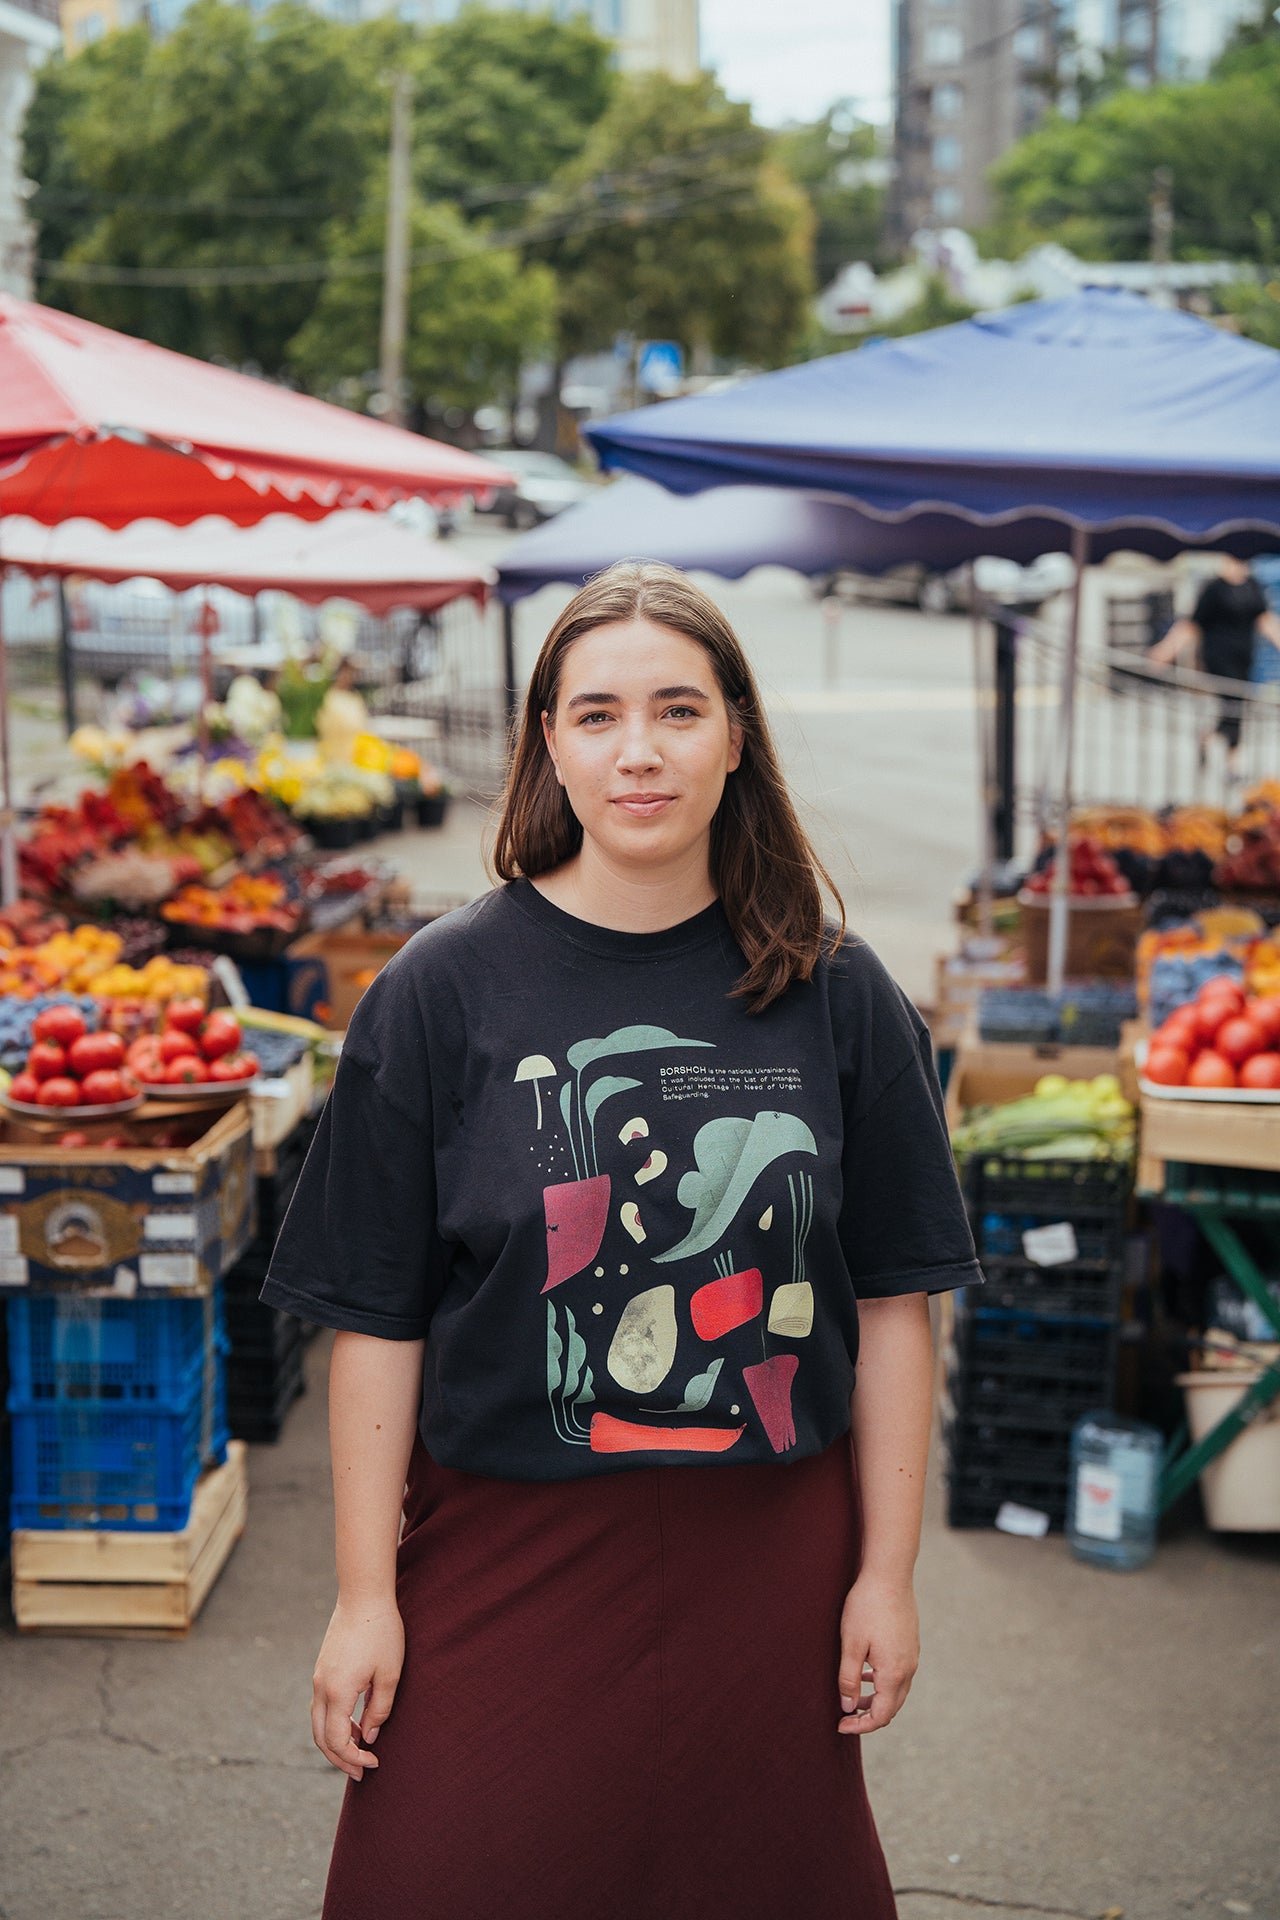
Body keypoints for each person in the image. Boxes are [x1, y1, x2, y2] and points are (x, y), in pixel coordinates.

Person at [262, 560, 982, 1920]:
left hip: (768, 1560)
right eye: (595, 715)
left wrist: (886, 1575)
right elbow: (374, 1315)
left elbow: (895, 1302)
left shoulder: (838, 995)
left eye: (676, 710)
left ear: (736, 736)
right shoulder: (438, 993)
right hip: (502, 1556)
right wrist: (365, 1597)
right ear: (548, 741)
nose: (637, 752)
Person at [1149, 556, 1280, 774]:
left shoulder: (1252, 586)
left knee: (1236, 707)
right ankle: (1233, 762)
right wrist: (1166, 651)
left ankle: (1207, 737)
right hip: (1218, 657)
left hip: (1243, 657)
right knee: (1232, 703)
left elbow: (1265, 620)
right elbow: (1192, 625)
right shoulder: (1213, 589)